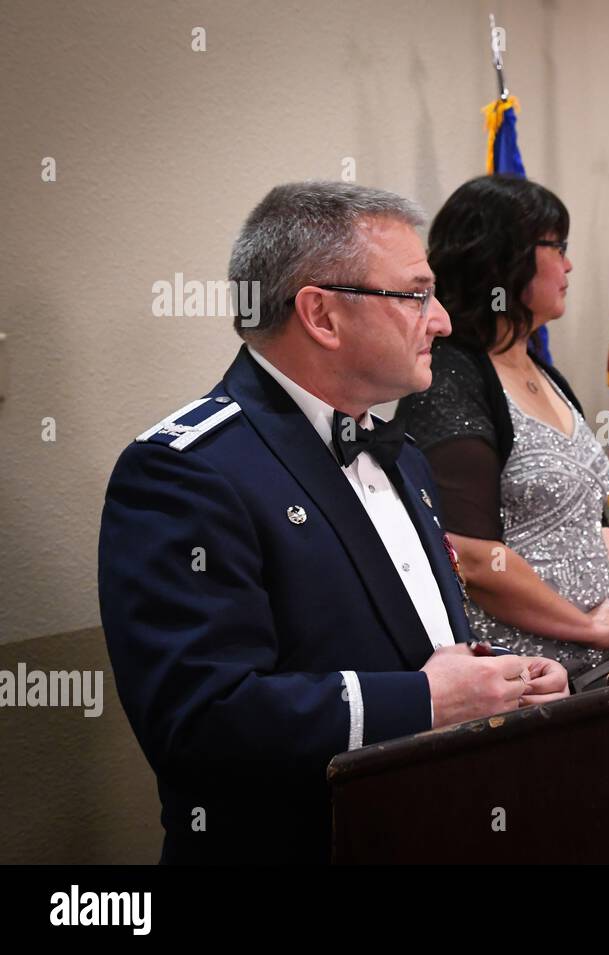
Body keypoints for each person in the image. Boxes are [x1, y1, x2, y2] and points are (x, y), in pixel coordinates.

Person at [99, 182, 569, 864]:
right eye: (415, 294)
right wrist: (423, 700)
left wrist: (502, 681)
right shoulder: (186, 472)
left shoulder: (403, 456)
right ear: (321, 314)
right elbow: (199, 722)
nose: (440, 320)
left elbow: (417, 652)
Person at [399, 176, 609, 674]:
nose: (569, 263)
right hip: (519, 677)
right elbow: (469, 557)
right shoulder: (452, 376)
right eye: (557, 246)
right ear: (503, 258)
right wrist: (587, 626)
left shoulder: (545, 373)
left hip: (597, 663)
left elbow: (591, 516)